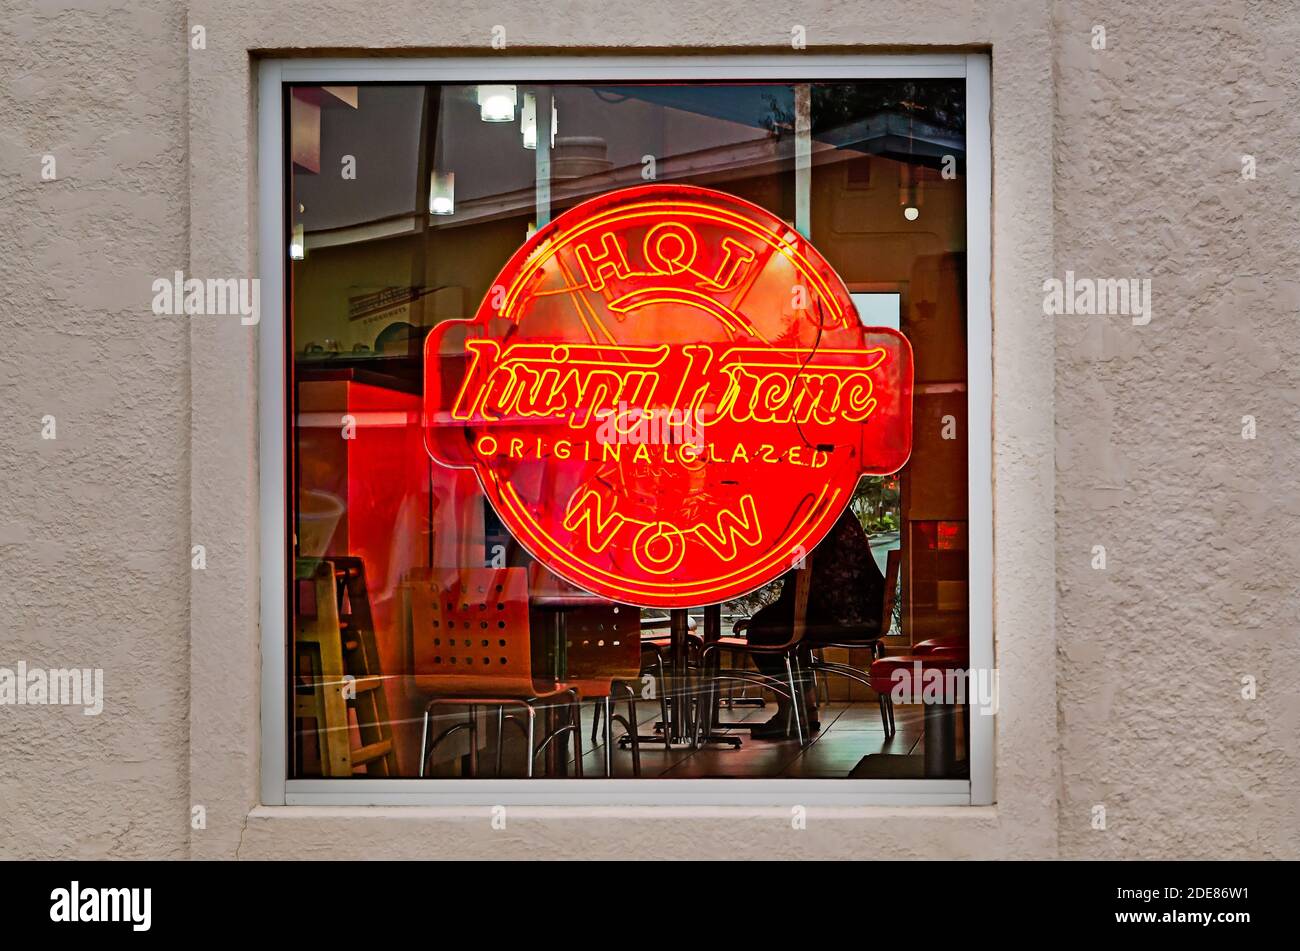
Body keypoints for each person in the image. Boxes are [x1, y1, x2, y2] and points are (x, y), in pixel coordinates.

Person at [739, 507, 886, 739]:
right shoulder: (833, 509)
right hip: (861, 610)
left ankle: (792, 712)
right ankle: (804, 711)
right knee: (780, 628)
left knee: (764, 629)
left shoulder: (812, 517)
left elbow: (797, 562)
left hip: (838, 613)